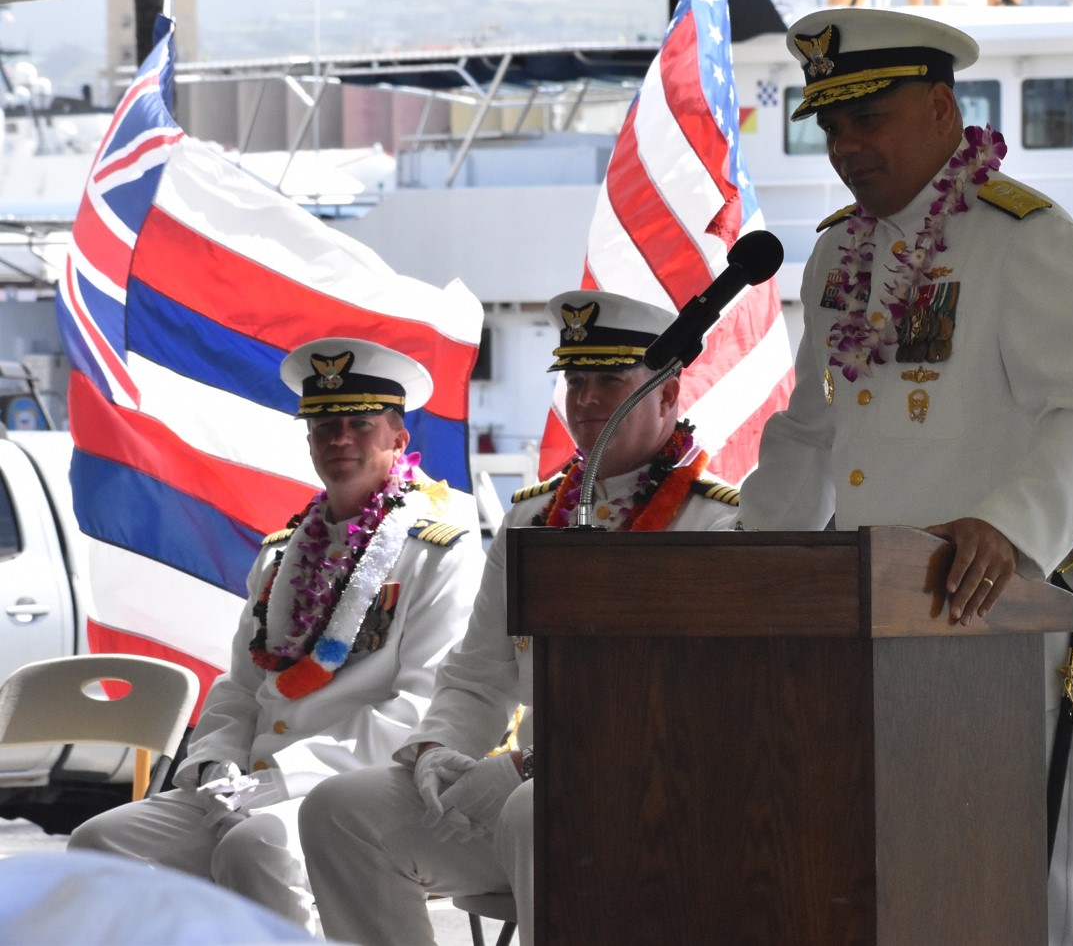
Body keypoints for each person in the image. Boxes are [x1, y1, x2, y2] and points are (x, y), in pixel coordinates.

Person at [737, 6, 1073, 946]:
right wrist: (749, 570)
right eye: (831, 125)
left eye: (869, 118)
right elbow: (812, 437)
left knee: (1029, 908)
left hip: (1023, 622)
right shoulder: (838, 254)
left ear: (940, 107)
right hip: (885, 633)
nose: (846, 147)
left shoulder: (1023, 234)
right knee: (902, 903)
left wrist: (1004, 528)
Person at [301, 291, 742, 946]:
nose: (587, 399)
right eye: (575, 380)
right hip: (527, 787)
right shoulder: (533, 518)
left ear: (668, 393)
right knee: (341, 809)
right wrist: (439, 751)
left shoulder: (720, 522)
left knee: (535, 811)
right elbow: (479, 672)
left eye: (610, 381)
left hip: (665, 797)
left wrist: (528, 767)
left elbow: (698, 705)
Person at [68, 338, 480, 929]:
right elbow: (239, 687)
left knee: (253, 846)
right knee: (102, 842)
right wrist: (215, 764)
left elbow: (420, 703)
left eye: (359, 424)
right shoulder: (282, 554)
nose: (339, 439)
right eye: (323, 425)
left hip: (356, 785)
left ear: (398, 439)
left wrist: (286, 777)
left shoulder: (437, 552)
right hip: (248, 781)